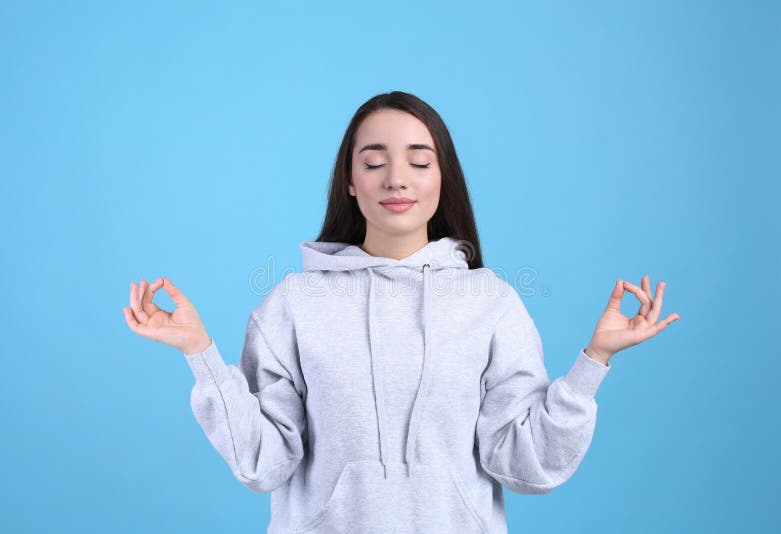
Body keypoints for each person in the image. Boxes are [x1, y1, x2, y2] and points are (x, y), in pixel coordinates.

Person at [122, 91, 679, 534]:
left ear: (442, 179)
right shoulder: (292, 303)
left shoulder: (490, 303)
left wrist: (594, 360)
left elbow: (527, 466)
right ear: (350, 181)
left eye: (419, 160)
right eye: (374, 162)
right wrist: (200, 352)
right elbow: (263, 464)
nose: (397, 178)